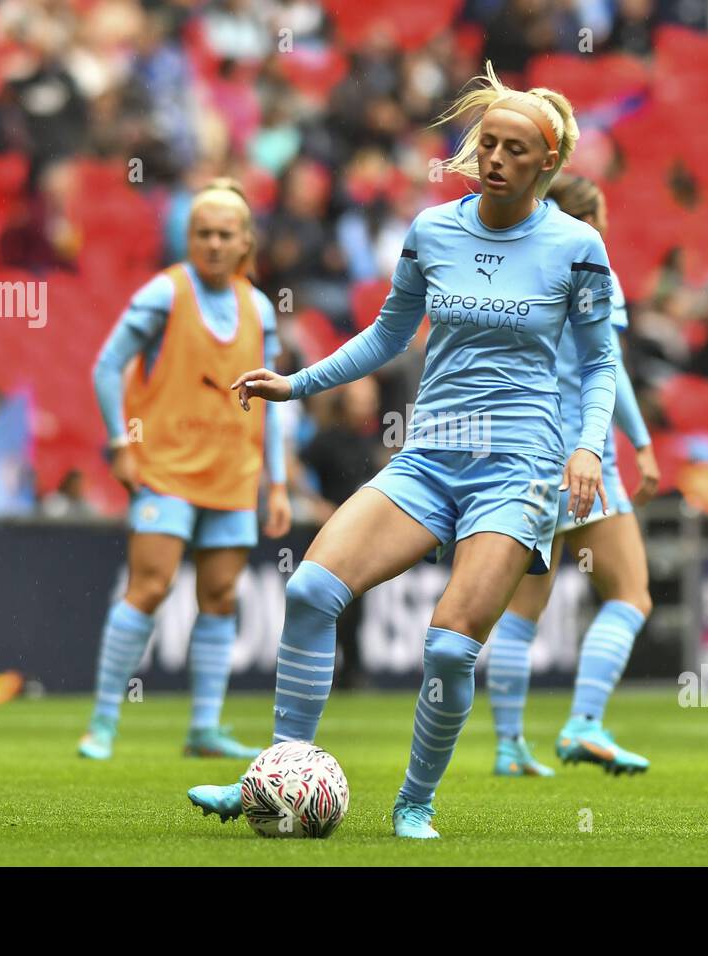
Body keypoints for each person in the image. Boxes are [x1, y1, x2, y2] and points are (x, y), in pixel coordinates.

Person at [187, 63, 618, 839]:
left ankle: (415, 802)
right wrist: (299, 382)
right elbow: (389, 334)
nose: (493, 158)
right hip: (429, 459)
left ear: (548, 164)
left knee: (450, 651)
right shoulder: (433, 230)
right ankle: (280, 774)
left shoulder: (576, 247)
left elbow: (599, 363)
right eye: (487, 142)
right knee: (311, 592)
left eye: (515, 149)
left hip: (517, 471)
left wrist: (588, 449)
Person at [78, 178, 292, 762]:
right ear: (187, 238)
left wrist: (277, 481)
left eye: (226, 234)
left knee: (220, 596)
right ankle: (102, 723)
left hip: (231, 473)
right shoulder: (165, 294)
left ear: (246, 241)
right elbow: (106, 366)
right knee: (150, 586)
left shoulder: (257, 308)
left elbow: (271, 403)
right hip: (166, 469)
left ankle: (204, 728)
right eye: (203, 234)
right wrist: (120, 443)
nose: (214, 244)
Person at [481, 173, 661, 778]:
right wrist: (642, 443)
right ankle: (584, 723)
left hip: (524, 453)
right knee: (630, 593)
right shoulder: (589, 261)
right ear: (594, 214)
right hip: (586, 455)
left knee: (521, 611)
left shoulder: (521, 258)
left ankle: (509, 746)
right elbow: (607, 368)